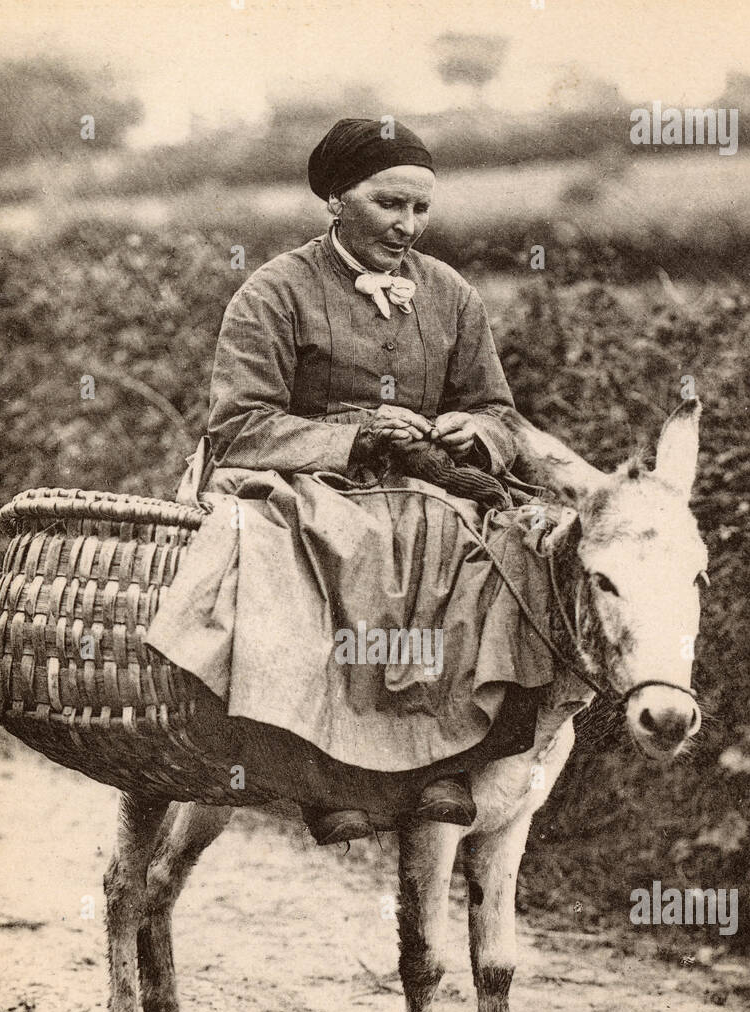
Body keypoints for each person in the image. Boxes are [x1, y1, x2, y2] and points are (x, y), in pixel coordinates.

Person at [163, 118, 537, 845]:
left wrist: (476, 431)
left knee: (488, 545)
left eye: (420, 209)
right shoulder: (275, 291)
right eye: (387, 204)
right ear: (336, 199)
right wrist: (355, 436)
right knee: (331, 542)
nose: (406, 226)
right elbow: (239, 425)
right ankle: (322, 774)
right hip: (298, 476)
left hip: (424, 481)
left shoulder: (450, 294)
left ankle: (446, 760)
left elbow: (497, 409)